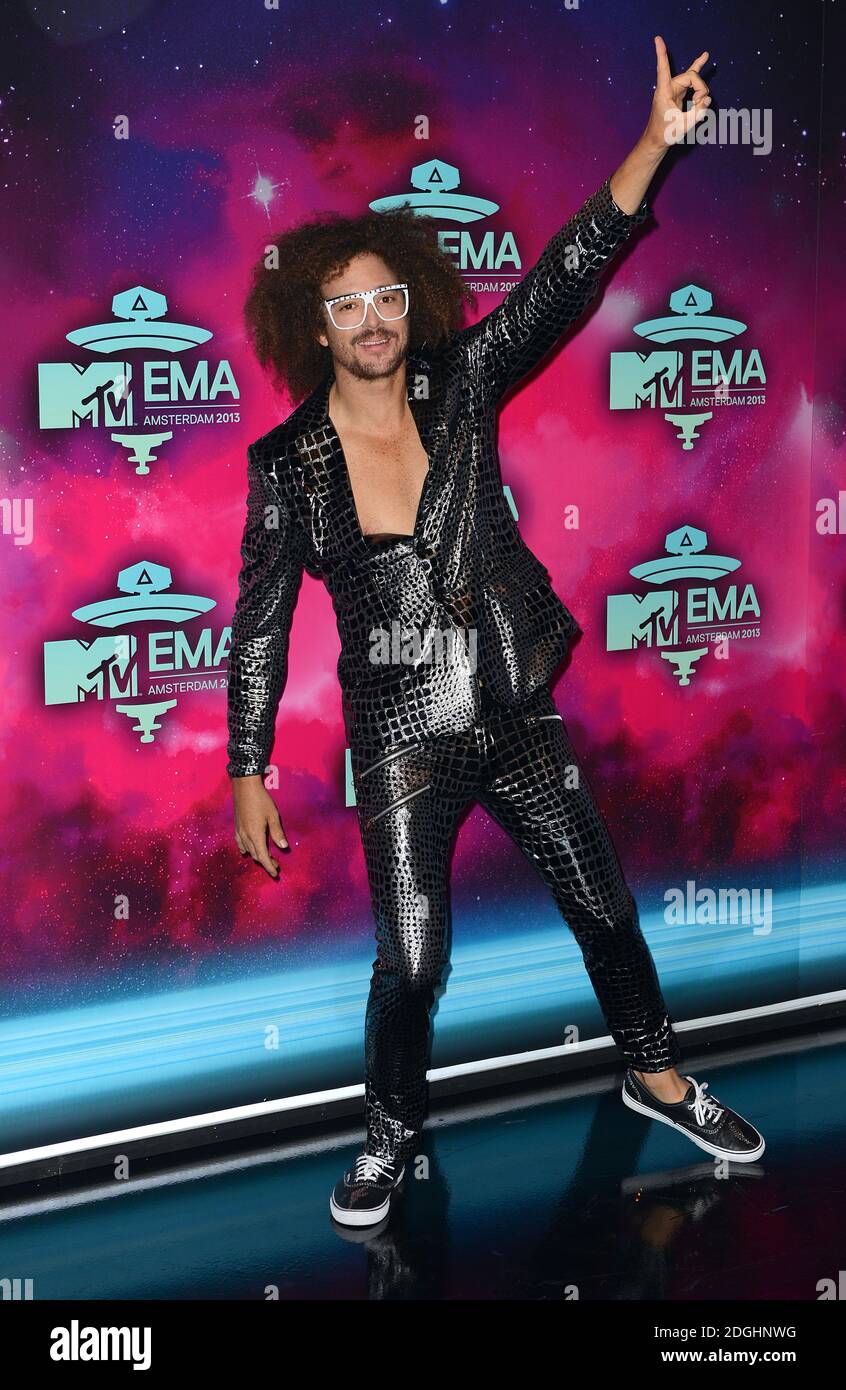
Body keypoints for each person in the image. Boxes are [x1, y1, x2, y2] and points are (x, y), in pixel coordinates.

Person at [226, 37, 765, 1229]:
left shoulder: (459, 384)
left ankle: (656, 1073)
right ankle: (387, 1136)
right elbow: (260, 620)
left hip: (513, 705)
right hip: (400, 735)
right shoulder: (285, 464)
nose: (372, 318)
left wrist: (654, 144)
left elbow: (561, 282)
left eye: (386, 296)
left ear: (410, 302)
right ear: (315, 324)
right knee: (413, 959)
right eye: (346, 304)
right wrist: (246, 766)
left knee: (605, 906)